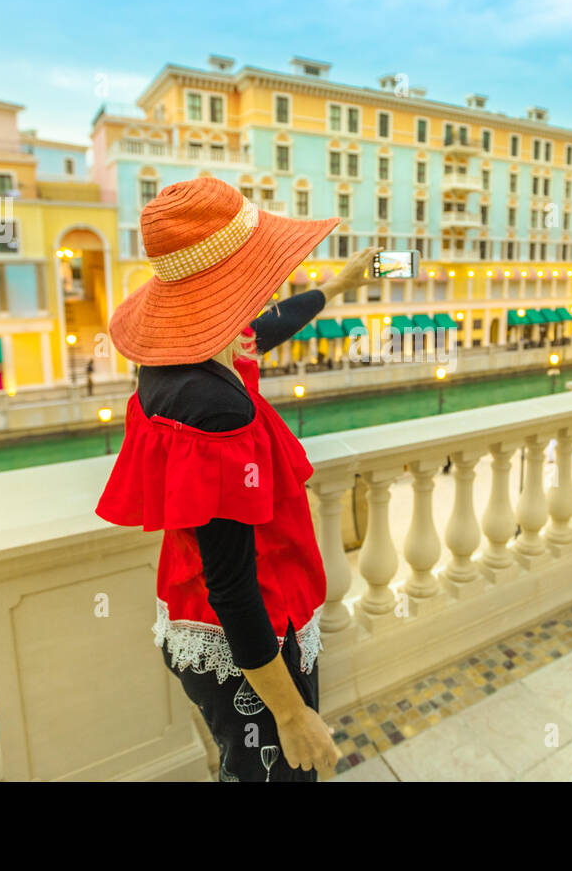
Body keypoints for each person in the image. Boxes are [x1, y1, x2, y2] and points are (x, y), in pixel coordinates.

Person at [95, 176, 377, 782]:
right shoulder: (218, 410)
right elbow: (233, 587)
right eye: (259, 269)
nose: (271, 283)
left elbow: (266, 329)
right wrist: (292, 712)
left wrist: (336, 286)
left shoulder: (178, 364)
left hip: (193, 616)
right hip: (251, 648)